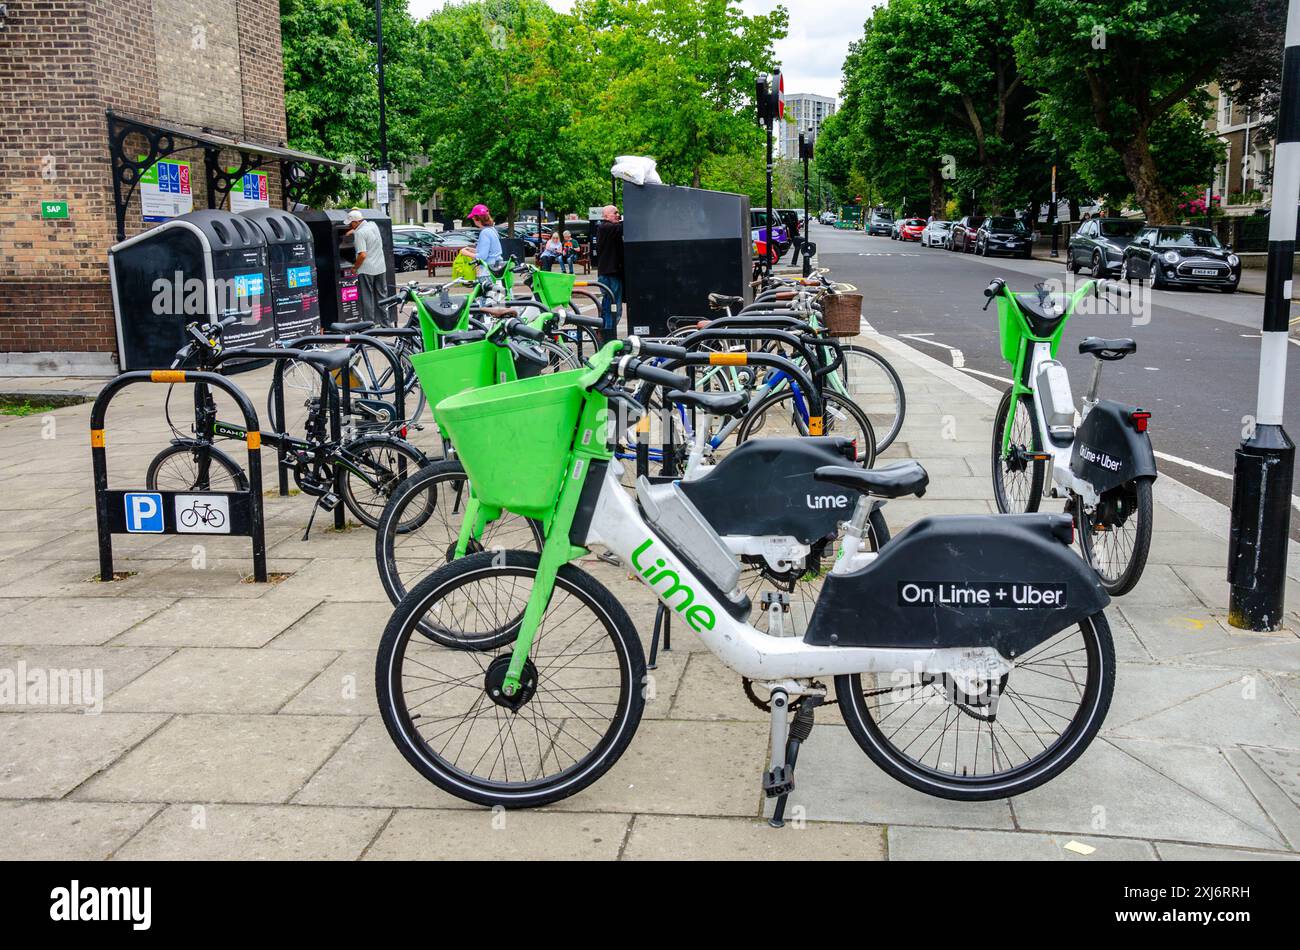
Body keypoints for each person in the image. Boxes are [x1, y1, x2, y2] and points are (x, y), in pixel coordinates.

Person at [346, 208, 390, 325]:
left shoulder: (360, 233)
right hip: (380, 267)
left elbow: (362, 254)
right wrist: (353, 231)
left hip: (366, 269)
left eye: (351, 224)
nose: (350, 226)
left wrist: (355, 268)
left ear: (355, 222)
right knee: (382, 296)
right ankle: (386, 323)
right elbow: (364, 229)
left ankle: (369, 326)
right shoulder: (372, 225)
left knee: (367, 299)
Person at [594, 205, 624, 340]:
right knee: (611, 308)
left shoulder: (609, 229)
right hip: (609, 275)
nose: (618, 214)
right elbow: (620, 228)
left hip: (609, 274)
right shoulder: (605, 227)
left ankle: (606, 334)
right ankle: (607, 336)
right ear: (605, 216)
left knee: (610, 307)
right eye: (615, 213)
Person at [459, 203, 503, 276]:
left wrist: (465, 253)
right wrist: (473, 250)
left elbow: (482, 256)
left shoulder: (485, 233)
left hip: (488, 270)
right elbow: (491, 251)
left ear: (477, 219)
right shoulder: (492, 230)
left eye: (473, 218)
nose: (473, 220)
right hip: (497, 267)